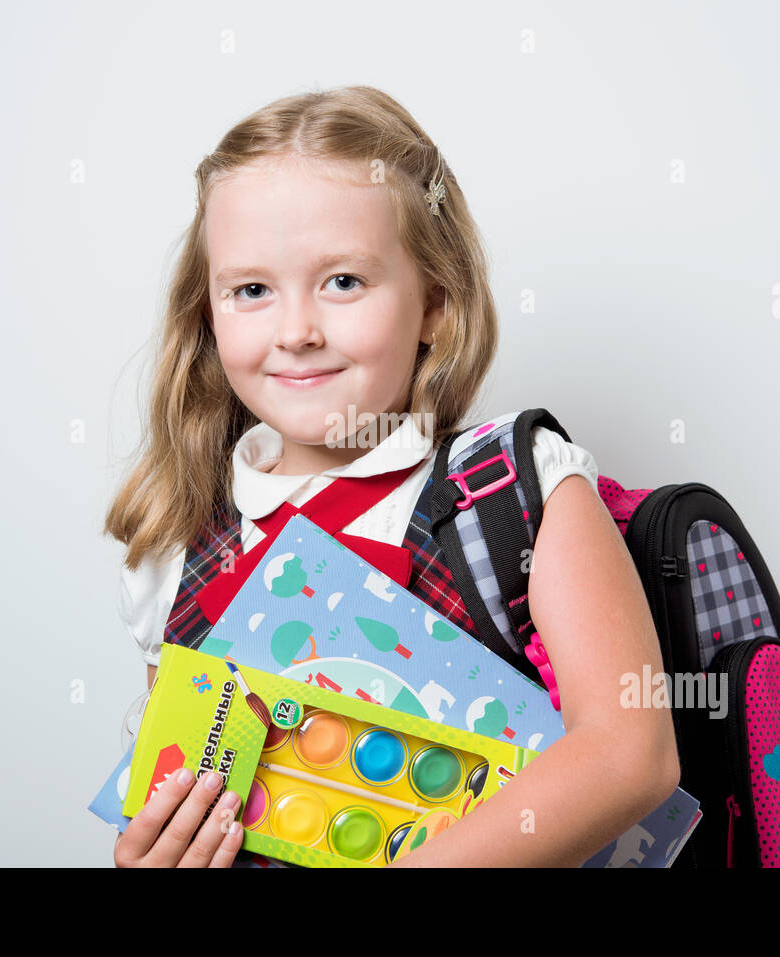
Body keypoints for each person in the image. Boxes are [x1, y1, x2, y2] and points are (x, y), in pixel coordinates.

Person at [103, 85, 679, 868]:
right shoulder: (176, 548)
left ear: (436, 302)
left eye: (343, 281)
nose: (298, 331)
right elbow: (182, 806)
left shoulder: (521, 492)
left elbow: (629, 755)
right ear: (208, 313)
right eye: (251, 290)